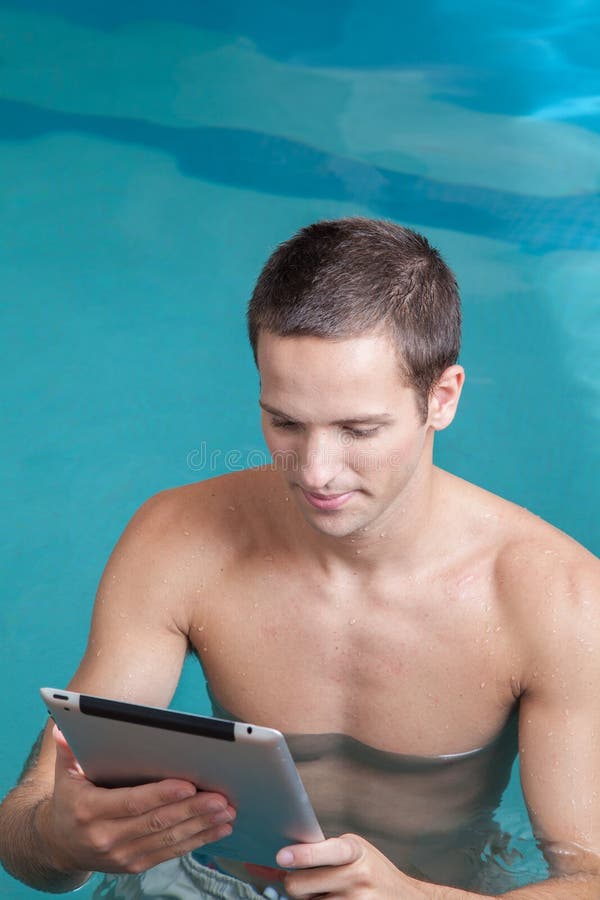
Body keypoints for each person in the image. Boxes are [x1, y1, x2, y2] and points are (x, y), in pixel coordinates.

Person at [1, 217, 599, 899]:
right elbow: (22, 830)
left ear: (443, 398)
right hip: (206, 881)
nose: (315, 471)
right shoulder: (179, 541)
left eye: (358, 429)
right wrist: (58, 837)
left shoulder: (557, 599)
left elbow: (590, 878)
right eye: (285, 422)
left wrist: (411, 898)